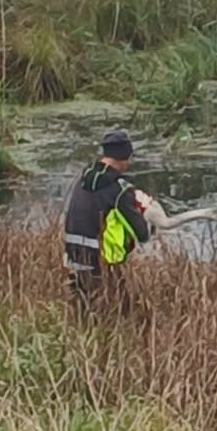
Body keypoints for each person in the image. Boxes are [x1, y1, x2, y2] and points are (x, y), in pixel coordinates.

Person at [63, 128, 152, 310]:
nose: (129, 163)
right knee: (120, 309)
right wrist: (145, 211)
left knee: (81, 306)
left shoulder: (82, 177)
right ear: (124, 157)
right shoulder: (119, 190)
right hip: (99, 261)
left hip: (73, 254)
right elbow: (142, 234)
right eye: (129, 158)